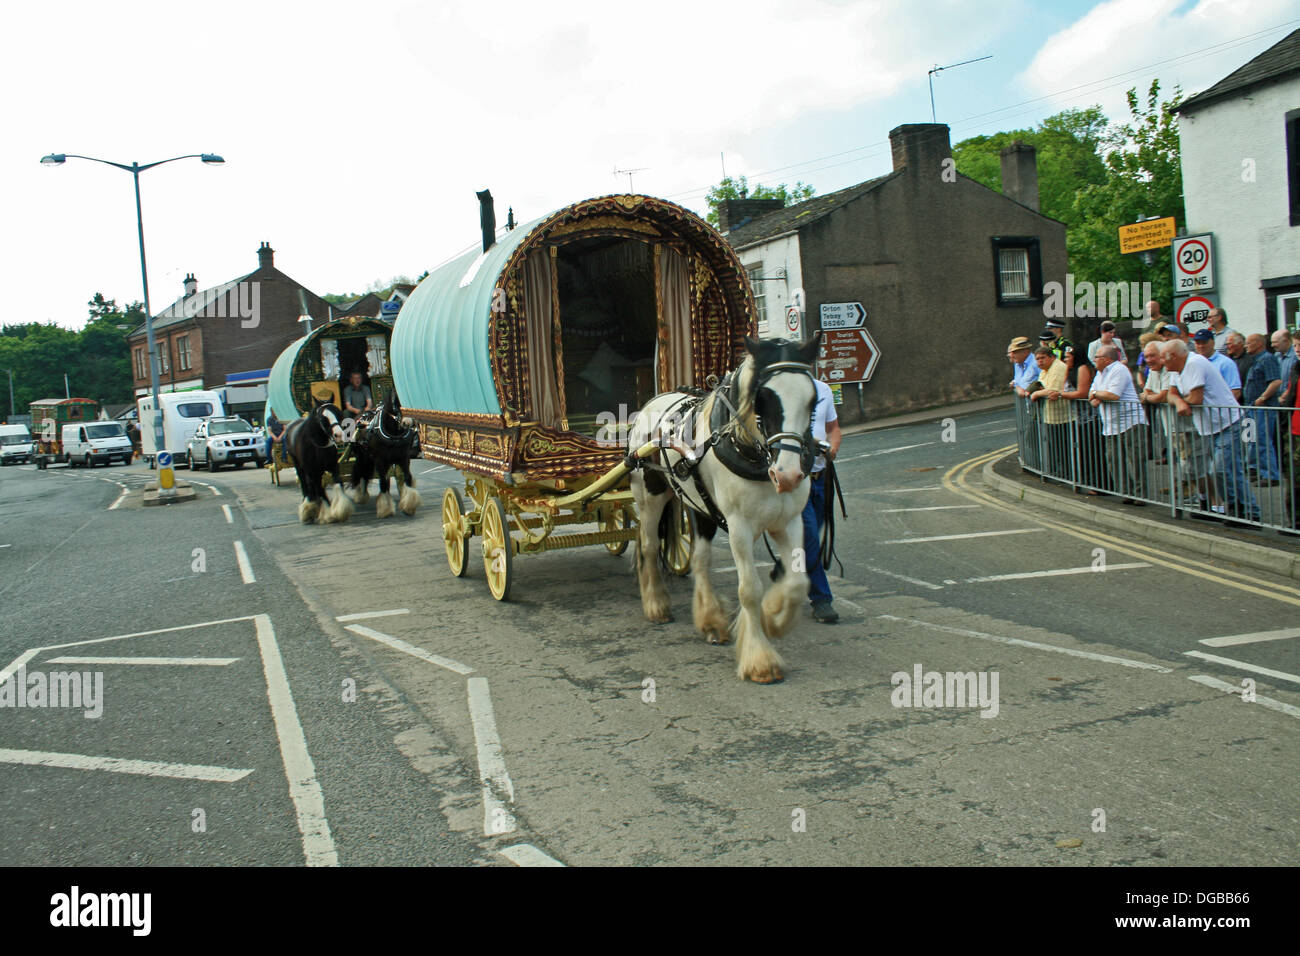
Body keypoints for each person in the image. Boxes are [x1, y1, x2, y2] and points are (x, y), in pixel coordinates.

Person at [1163, 339, 1259, 523]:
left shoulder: (1194, 363)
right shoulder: (1177, 369)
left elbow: (1197, 398)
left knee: (1224, 469)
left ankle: (1249, 512)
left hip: (1227, 423)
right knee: (1218, 470)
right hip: (1208, 427)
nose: (1161, 361)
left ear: (1173, 356)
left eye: (1163, 357)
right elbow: (1171, 394)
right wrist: (1180, 401)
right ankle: (1235, 510)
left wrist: (1182, 400)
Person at [804, 377, 843, 624]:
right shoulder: (780, 389)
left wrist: (834, 446)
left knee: (812, 535)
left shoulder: (823, 389)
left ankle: (789, 567)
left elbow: (833, 428)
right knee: (808, 537)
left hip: (822, 476)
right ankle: (821, 598)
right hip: (797, 479)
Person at [1090, 344, 1148, 503]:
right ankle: (1127, 493)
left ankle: (1140, 495)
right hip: (1110, 425)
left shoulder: (1119, 370)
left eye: (1097, 357)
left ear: (1107, 359)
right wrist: (1098, 395)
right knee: (1114, 460)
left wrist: (1097, 394)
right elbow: (1092, 398)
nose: (1094, 360)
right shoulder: (1099, 374)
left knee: (1135, 459)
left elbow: (1113, 395)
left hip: (1131, 422)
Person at [1059, 345, 1105, 493]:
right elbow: (1063, 386)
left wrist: (1061, 395)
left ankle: (1099, 485)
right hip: (1079, 417)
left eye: (1068, 357)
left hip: (1089, 418)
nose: (1065, 359)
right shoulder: (1072, 370)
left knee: (1093, 452)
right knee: (1084, 452)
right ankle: (1090, 482)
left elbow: (1082, 393)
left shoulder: (1083, 368)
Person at [1242, 333, 1282, 484]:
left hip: (1263, 408)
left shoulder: (1267, 359)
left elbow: (1276, 381)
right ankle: (1259, 470)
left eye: (1248, 343)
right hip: (1253, 408)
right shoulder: (1256, 360)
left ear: (1259, 344)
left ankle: (1271, 475)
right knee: (1253, 440)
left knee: (1263, 441)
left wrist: (1263, 398)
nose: (1246, 346)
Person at [1029, 346, 1070, 480]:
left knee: (1063, 448)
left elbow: (1052, 390)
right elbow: (1043, 386)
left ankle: (1067, 474)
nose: (1040, 361)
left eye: (1043, 358)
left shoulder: (1057, 368)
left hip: (1062, 416)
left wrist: (1036, 393)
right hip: (1051, 416)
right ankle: (1061, 472)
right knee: (1056, 447)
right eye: (1037, 359)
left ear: (1052, 357)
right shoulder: (1045, 371)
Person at [1140, 341, 1172, 467]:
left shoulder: (1170, 368)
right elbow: (1145, 392)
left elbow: (1164, 396)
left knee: (1188, 463)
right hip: (1167, 423)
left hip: (1181, 424)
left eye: (1152, 356)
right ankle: (1179, 484)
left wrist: (1151, 397)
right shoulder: (1153, 370)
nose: (1148, 360)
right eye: (1146, 357)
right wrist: (1153, 396)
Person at [1192, 329, 1242, 401]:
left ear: (1213, 342)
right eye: (1197, 343)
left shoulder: (1226, 363)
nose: (1201, 346)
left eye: (1204, 342)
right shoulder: (1193, 363)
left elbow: (1235, 392)